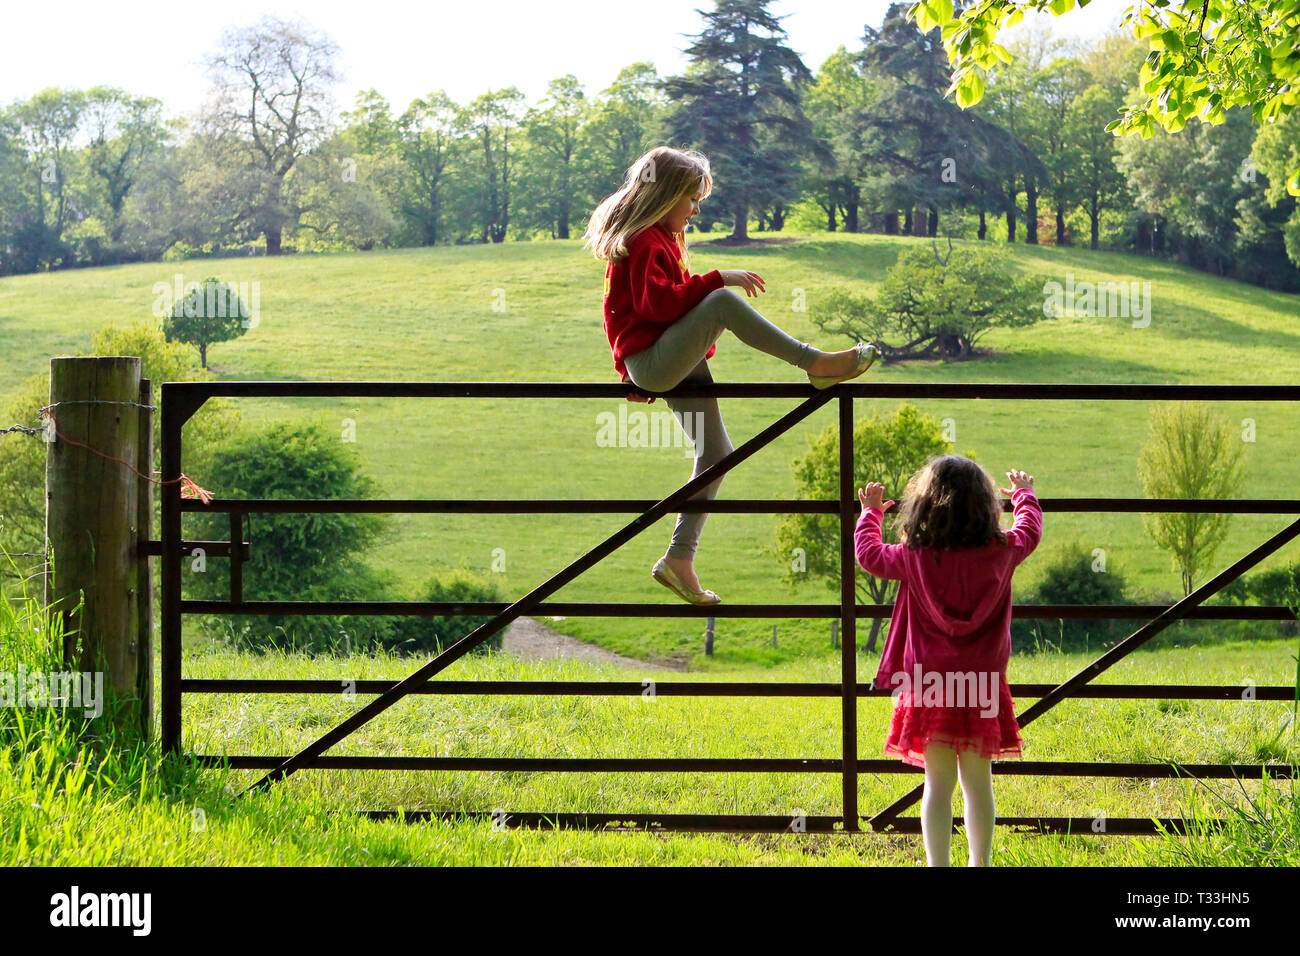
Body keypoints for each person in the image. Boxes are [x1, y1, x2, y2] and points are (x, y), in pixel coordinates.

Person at [582, 145, 878, 605]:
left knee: (718, 453)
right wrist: (719, 278)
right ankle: (814, 363)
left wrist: (642, 365)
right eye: (692, 199)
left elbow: (640, 312)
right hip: (657, 363)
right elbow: (655, 305)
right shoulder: (643, 241)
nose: (697, 209)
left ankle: (679, 559)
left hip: (662, 362)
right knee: (721, 302)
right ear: (666, 195)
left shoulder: (661, 238)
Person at [855, 456, 1043, 866]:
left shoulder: (914, 556)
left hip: (929, 685)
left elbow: (868, 555)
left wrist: (870, 514)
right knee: (978, 783)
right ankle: (980, 864)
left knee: (936, 784)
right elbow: (1028, 532)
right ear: (984, 507)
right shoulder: (1002, 552)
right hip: (981, 685)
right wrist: (1024, 496)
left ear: (925, 506)